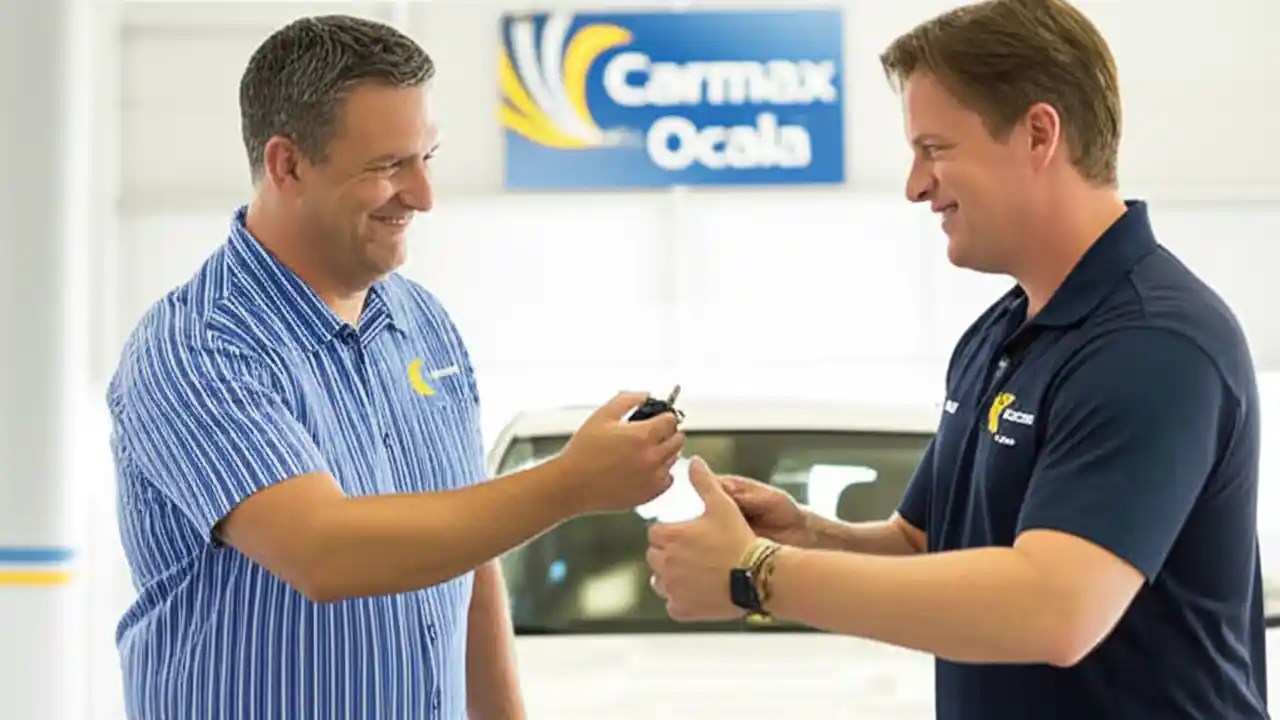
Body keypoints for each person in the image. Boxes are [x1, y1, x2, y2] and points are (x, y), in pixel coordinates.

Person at [645, 1, 1270, 718]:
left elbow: (1054, 608)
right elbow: (924, 546)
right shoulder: (1000, 333)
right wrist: (808, 534)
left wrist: (757, 574)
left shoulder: (1153, 344)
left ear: (1039, 134)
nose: (915, 185)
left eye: (934, 149)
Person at [105, 14, 684, 720]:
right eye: (387, 167)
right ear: (288, 164)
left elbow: (473, 561)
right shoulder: (197, 347)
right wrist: (569, 484)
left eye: (426, 158)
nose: (423, 195)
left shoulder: (423, 326)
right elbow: (324, 552)